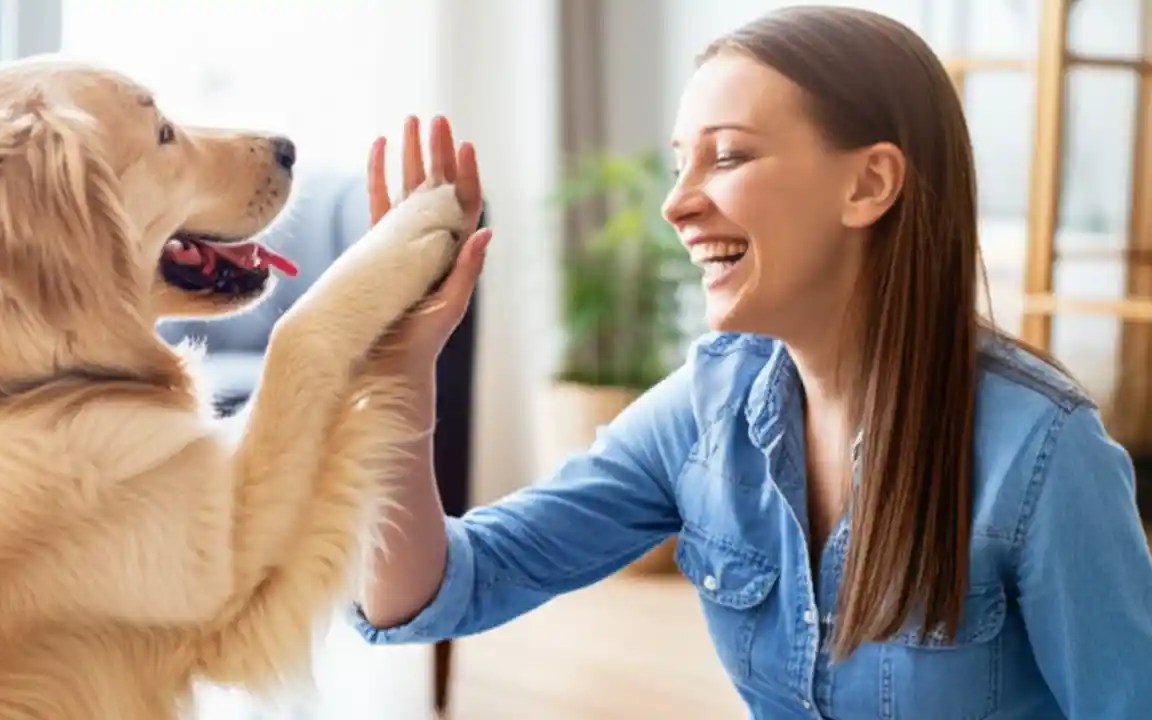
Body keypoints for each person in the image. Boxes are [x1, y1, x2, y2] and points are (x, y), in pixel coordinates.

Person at [352, 6, 1152, 719]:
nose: (676, 203)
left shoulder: (1042, 452)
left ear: (869, 183)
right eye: (678, 166)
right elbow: (430, 592)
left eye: (727, 157)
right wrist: (401, 374)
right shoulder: (706, 410)